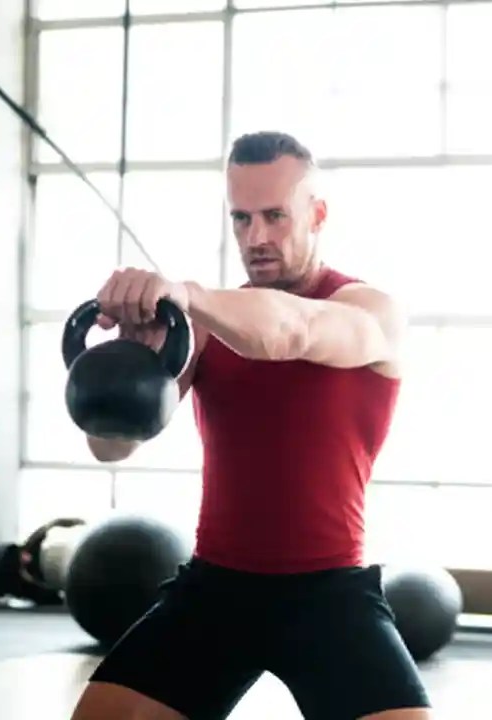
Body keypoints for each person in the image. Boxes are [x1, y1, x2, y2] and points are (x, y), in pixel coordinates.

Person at [69, 131, 429, 720]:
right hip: (216, 592)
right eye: (240, 219)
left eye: (274, 217)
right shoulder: (204, 326)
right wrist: (131, 366)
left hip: (330, 596)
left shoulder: (368, 313)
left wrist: (182, 294)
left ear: (316, 214)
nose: (255, 237)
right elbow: (110, 446)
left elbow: (289, 332)